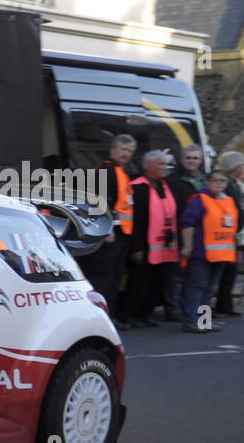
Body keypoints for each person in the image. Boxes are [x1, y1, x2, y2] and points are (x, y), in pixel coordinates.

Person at [78, 134, 137, 327]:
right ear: (113, 150)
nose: (126, 154)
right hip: (110, 234)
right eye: (123, 149)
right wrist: (106, 228)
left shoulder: (119, 171)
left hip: (120, 233)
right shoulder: (106, 169)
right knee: (103, 277)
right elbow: (98, 201)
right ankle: (100, 318)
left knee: (113, 277)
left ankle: (109, 316)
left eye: (129, 151)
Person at [124, 151, 181, 325]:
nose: (165, 168)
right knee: (139, 281)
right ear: (147, 166)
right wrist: (137, 248)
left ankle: (145, 313)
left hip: (163, 244)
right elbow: (137, 221)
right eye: (161, 164)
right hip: (145, 244)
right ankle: (130, 314)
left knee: (155, 282)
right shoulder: (138, 187)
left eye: (166, 164)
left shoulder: (165, 185)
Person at [179, 170, 239, 333]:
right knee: (198, 286)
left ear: (226, 184)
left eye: (222, 181)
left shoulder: (228, 201)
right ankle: (192, 321)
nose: (218, 183)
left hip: (221, 254)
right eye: (215, 180)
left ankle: (204, 322)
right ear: (207, 183)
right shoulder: (199, 200)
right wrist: (188, 246)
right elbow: (188, 224)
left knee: (209, 288)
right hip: (201, 252)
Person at [213, 150, 244, 318]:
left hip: (232, 235)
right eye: (241, 164)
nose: (243, 167)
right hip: (225, 235)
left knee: (230, 272)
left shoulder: (234, 184)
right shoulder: (227, 184)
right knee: (223, 273)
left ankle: (225, 305)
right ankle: (218, 307)